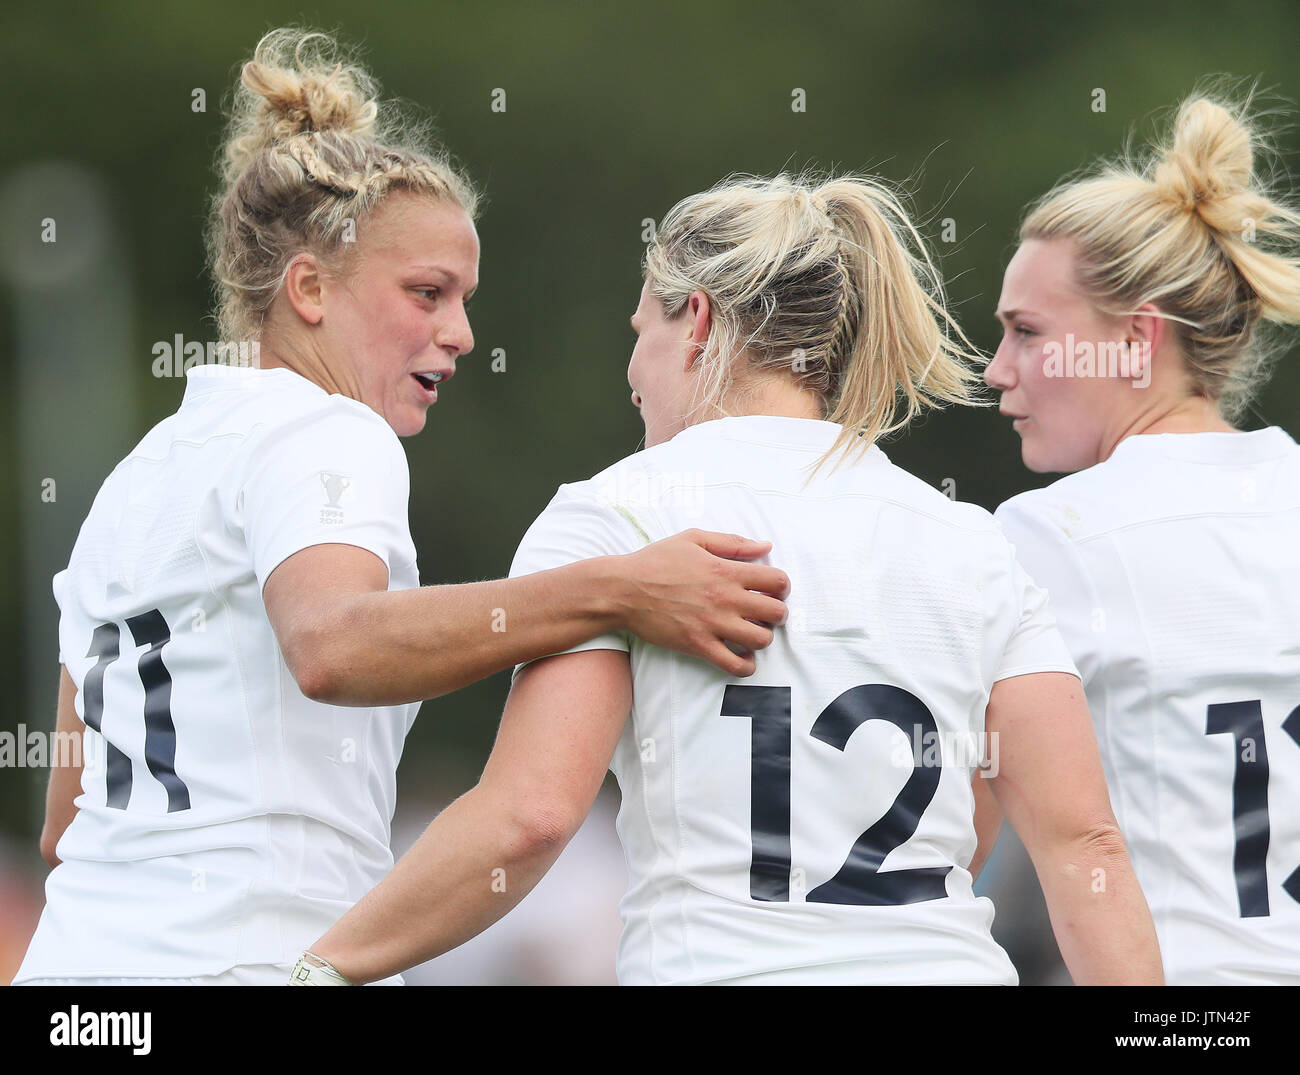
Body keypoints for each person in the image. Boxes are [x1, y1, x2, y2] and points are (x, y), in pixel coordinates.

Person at [13, 28, 789, 987]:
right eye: (427, 293)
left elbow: (64, 821)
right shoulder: (327, 431)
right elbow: (333, 644)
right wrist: (619, 589)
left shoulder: (130, 481)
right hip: (246, 962)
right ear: (308, 289)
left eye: (463, 298)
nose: (459, 333)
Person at [292, 173, 1162, 986]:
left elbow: (531, 818)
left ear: (698, 321)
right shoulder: (974, 542)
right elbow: (1084, 847)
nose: (634, 377)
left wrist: (322, 967)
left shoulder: (617, 516)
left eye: (642, 336)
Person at [984, 91, 1300, 984]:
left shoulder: (1048, 533)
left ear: (1136, 339)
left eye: (1026, 332)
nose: (997, 368)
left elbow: (951, 827)